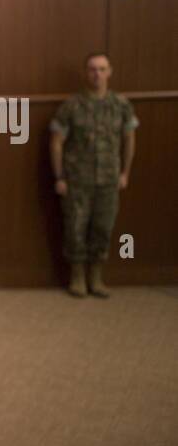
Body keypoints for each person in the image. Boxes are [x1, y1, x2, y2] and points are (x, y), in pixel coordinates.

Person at [49, 53, 139, 298]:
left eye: (101, 69)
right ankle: (77, 276)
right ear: (86, 73)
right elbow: (56, 142)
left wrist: (125, 173)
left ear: (110, 71)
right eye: (92, 69)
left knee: (103, 227)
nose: (97, 74)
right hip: (77, 180)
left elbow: (129, 139)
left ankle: (96, 276)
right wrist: (60, 176)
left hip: (109, 179)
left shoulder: (121, 105)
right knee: (75, 228)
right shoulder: (72, 106)